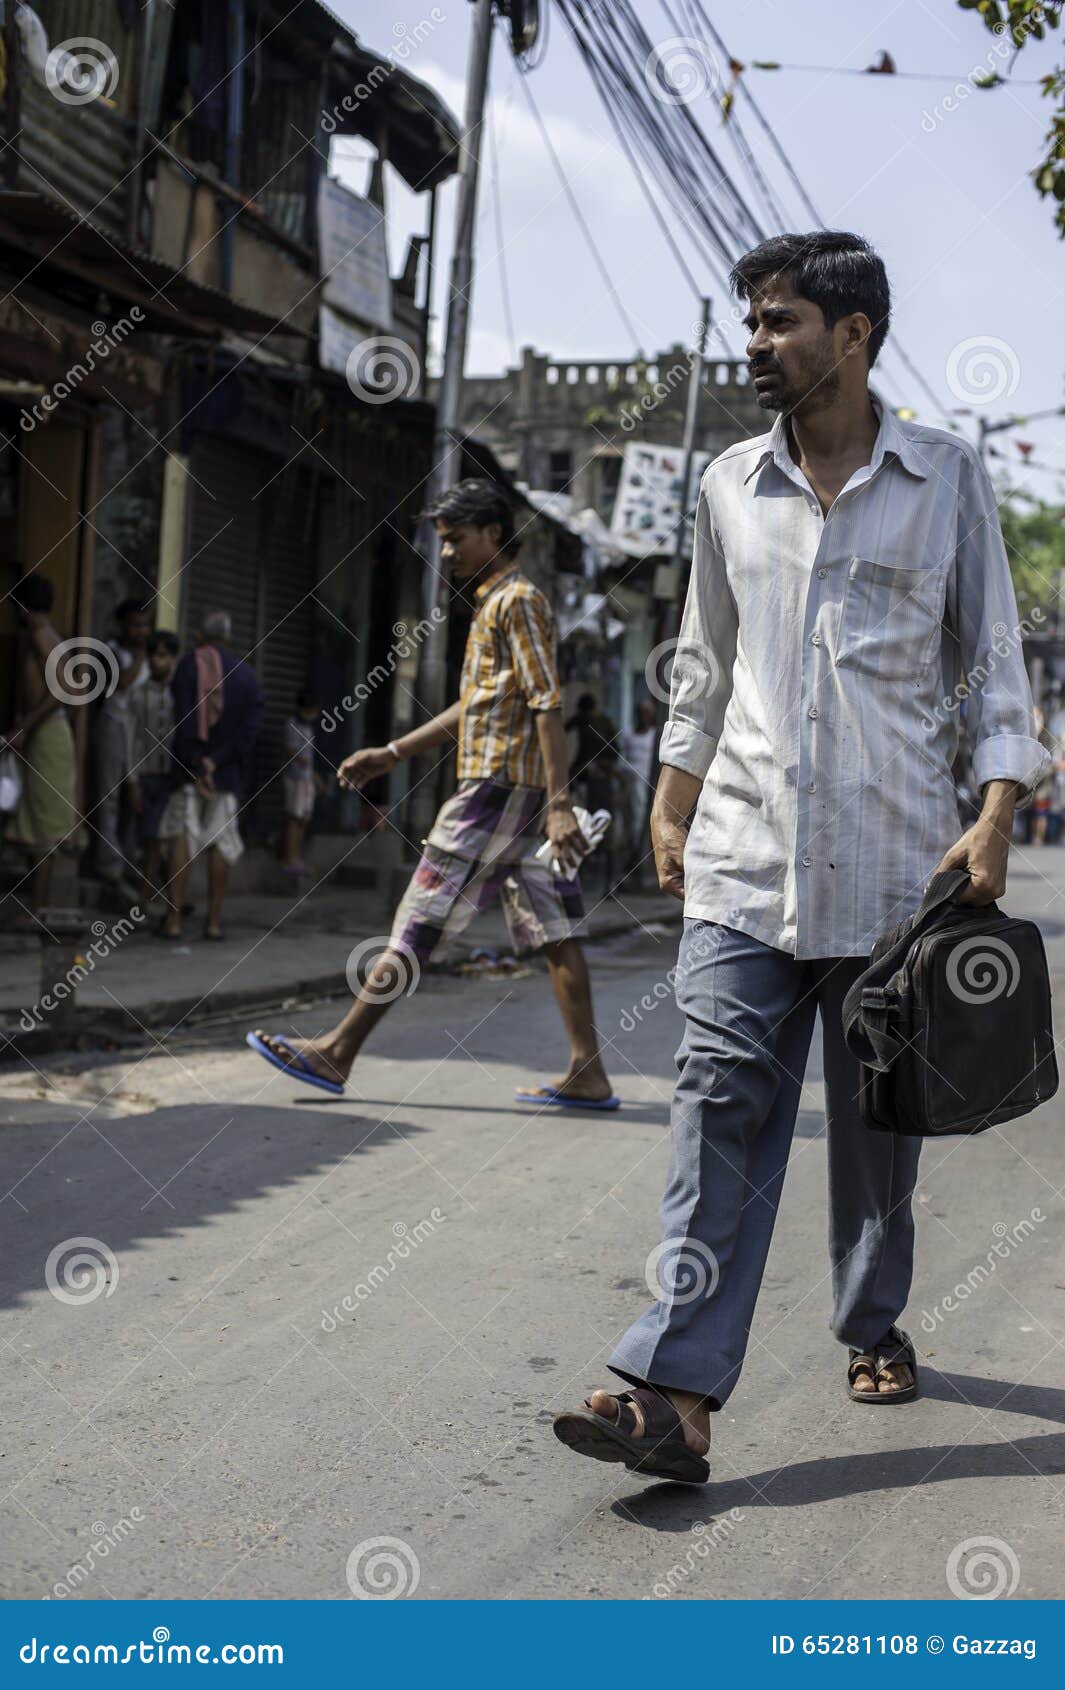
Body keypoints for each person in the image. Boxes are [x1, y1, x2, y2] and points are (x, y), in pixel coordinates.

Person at [552, 231, 1049, 1484]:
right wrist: (672, 802)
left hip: (897, 874)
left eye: (780, 322)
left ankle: (872, 1318)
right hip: (745, 856)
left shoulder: (944, 478)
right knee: (718, 1105)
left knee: (878, 1130)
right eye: (753, 321)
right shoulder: (729, 483)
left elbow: (994, 661)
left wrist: (996, 812)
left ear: (854, 333)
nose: (756, 344)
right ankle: (675, 1395)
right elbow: (704, 662)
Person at [248, 477, 617, 1109]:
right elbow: (475, 706)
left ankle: (338, 1051)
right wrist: (392, 753)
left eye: (455, 539)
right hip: (519, 794)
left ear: (493, 534)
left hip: (498, 790)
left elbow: (546, 701)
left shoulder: (516, 601)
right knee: (555, 927)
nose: (445, 553)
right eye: (443, 541)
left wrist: (559, 803)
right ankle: (589, 1071)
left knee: (420, 919)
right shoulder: (495, 603)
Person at [158, 610, 263, 942]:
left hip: (189, 768)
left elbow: (181, 719)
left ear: (201, 636)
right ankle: (214, 922)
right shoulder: (247, 676)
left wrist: (198, 762)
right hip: (226, 773)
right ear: (228, 638)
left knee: (181, 835)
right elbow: (249, 732)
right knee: (221, 842)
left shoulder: (189, 665)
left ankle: (173, 921)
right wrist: (217, 762)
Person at [1, 571, 81, 926]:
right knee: (35, 819)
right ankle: (37, 906)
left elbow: (65, 690)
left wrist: (25, 727)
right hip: (46, 735)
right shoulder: (47, 636)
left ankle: (39, 909)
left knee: (45, 824)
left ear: (23, 607)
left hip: (48, 736)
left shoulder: (41, 636)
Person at [96, 596, 151, 893]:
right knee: (109, 795)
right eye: (134, 625)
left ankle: (130, 858)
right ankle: (109, 863)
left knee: (135, 797)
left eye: (144, 625)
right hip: (114, 725)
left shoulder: (151, 655)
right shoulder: (112, 651)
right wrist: (141, 656)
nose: (140, 631)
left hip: (140, 732)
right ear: (123, 626)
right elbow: (122, 683)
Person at [127, 630, 179, 915]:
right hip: (147, 775)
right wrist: (133, 780)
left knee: (163, 837)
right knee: (150, 837)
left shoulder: (178, 695)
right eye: (155, 656)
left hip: (171, 777)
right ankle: (151, 896)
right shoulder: (138, 695)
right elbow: (131, 739)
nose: (159, 662)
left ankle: (152, 895)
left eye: (164, 656)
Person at [281, 691, 321, 876]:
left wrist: (314, 777)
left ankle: (297, 858)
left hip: (306, 779)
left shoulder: (308, 728)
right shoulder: (292, 724)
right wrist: (300, 759)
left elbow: (310, 758)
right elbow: (290, 749)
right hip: (295, 778)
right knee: (294, 818)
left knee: (303, 819)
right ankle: (290, 859)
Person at [618, 697, 658, 869]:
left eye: (647, 713)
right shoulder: (628, 733)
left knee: (642, 818)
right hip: (629, 783)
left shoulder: (655, 735)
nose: (644, 716)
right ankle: (631, 855)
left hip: (647, 784)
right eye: (641, 712)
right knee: (628, 820)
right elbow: (620, 758)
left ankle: (641, 857)